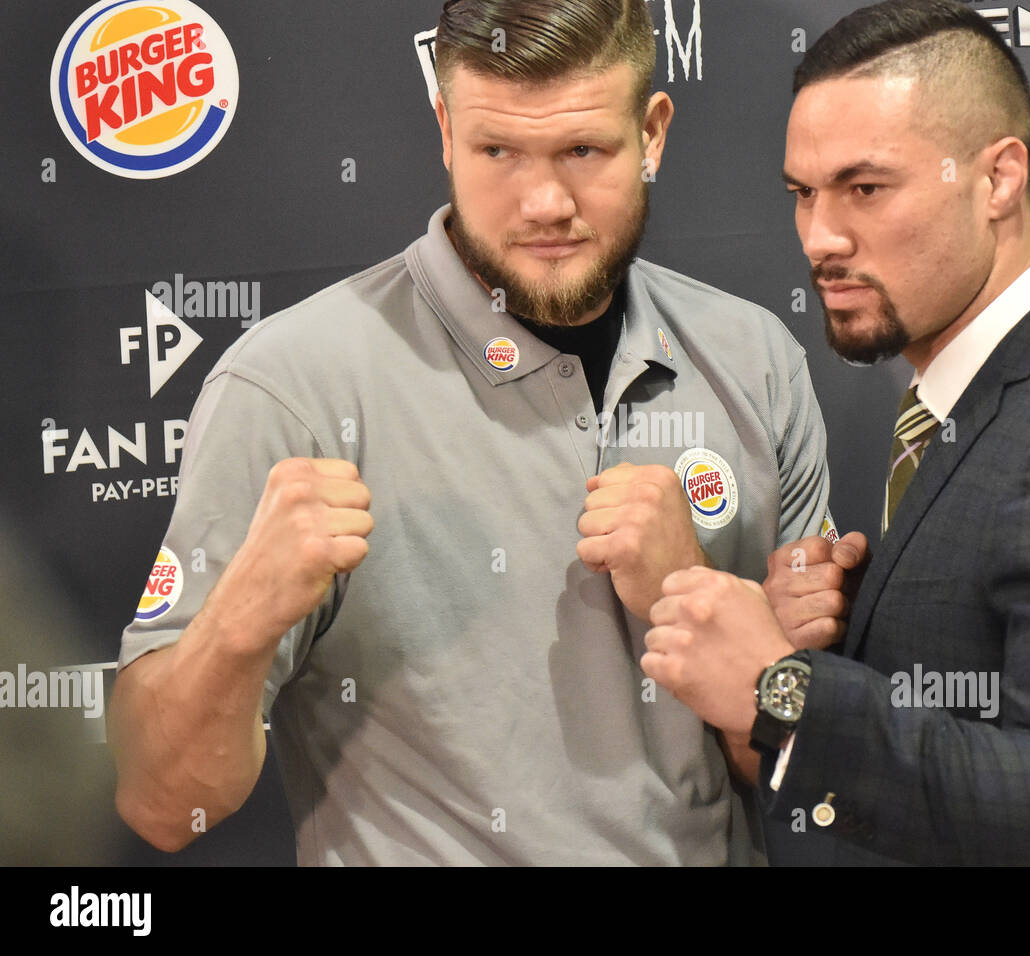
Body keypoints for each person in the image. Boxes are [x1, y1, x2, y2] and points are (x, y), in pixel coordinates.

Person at [108, 0, 841, 866]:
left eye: (583, 150)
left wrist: (693, 595)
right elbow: (163, 805)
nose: (543, 202)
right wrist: (238, 623)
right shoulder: (292, 387)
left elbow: (805, 778)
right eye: (498, 150)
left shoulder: (753, 359)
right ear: (445, 128)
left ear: (651, 133)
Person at [643, 0, 1030, 865]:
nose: (819, 238)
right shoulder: (989, 397)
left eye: (865, 188)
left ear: (999, 179)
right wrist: (861, 634)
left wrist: (782, 688)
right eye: (802, 194)